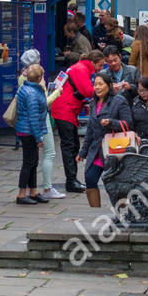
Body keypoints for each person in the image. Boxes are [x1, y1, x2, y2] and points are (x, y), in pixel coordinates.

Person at [77, 70, 131, 208]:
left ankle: (123, 212)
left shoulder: (119, 101)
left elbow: (128, 123)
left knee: (115, 184)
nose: (98, 87)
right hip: (96, 150)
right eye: (95, 84)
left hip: (113, 150)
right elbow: (90, 130)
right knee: (90, 178)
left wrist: (112, 123)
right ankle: (95, 210)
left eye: (101, 84)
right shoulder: (93, 102)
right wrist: (82, 152)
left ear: (109, 85)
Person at [49, 51, 98, 193]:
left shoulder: (79, 67)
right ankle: (71, 181)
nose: (101, 68)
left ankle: (72, 180)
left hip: (66, 109)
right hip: (65, 110)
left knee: (72, 145)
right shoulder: (81, 69)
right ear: (93, 62)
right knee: (70, 146)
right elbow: (89, 91)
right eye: (100, 65)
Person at [19, 50, 64, 199]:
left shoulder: (23, 79)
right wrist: (57, 93)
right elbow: (39, 108)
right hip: (35, 124)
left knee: (32, 160)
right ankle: (43, 188)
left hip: (28, 126)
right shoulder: (33, 87)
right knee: (43, 155)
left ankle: (33, 191)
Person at [12, 65, 51, 206]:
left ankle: (33, 191)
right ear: (39, 78)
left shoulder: (25, 88)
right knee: (29, 163)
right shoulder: (32, 94)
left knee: (33, 162)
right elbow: (33, 118)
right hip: (29, 131)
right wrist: (39, 138)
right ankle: (22, 194)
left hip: (25, 130)